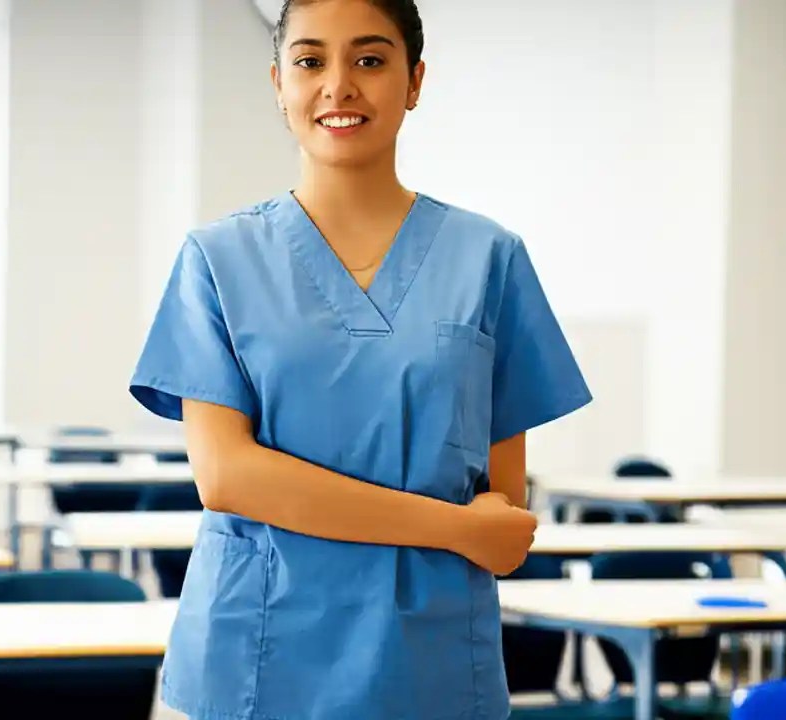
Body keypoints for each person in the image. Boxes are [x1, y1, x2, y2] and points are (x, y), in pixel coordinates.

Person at [129, 0, 591, 718]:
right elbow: (226, 477)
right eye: (311, 61)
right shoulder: (217, 260)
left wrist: (481, 529)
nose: (338, 85)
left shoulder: (488, 259)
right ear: (279, 83)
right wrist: (452, 528)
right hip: (261, 656)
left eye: (370, 60)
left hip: (427, 660)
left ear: (415, 81)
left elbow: (503, 522)